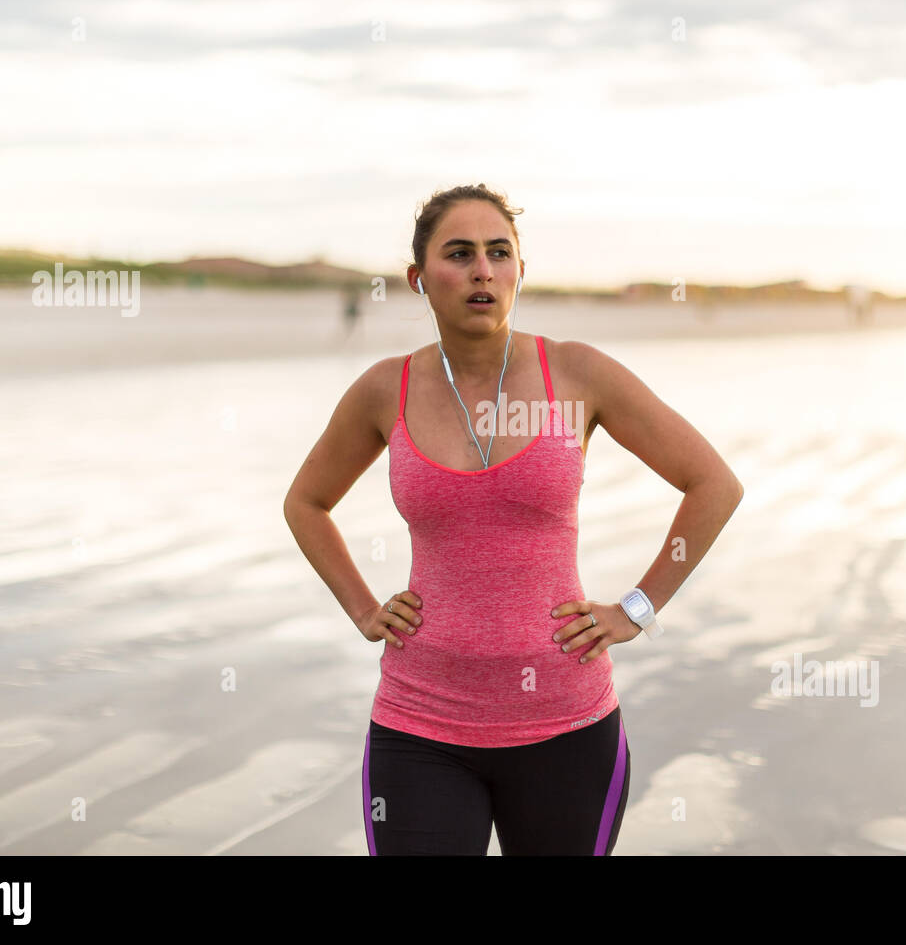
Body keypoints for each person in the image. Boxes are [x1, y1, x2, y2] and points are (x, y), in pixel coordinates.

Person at [282, 183, 744, 855]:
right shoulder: (387, 389)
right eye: (460, 253)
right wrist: (361, 607)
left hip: (568, 727)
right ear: (419, 279)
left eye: (500, 253)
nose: (483, 271)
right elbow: (306, 502)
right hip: (420, 730)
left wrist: (638, 607)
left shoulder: (578, 373)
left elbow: (713, 485)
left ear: (520, 271)